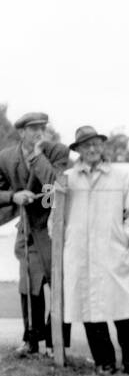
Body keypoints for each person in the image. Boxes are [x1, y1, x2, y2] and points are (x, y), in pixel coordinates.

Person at [57, 126, 129, 374]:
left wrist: (124, 239)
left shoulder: (120, 176)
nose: (92, 149)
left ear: (102, 146)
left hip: (112, 252)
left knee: (123, 306)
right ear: (78, 151)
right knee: (89, 309)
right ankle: (104, 362)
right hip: (80, 254)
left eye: (96, 144)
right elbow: (55, 214)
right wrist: (64, 243)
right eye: (86, 145)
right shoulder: (67, 178)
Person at [0, 112, 72, 356]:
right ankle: (31, 340)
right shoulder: (6, 157)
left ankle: (55, 344)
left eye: (42, 127)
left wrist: (39, 155)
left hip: (54, 227)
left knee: (59, 284)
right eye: (33, 129)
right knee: (28, 285)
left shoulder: (58, 152)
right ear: (21, 132)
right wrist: (14, 196)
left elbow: (57, 184)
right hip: (27, 228)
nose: (39, 132)